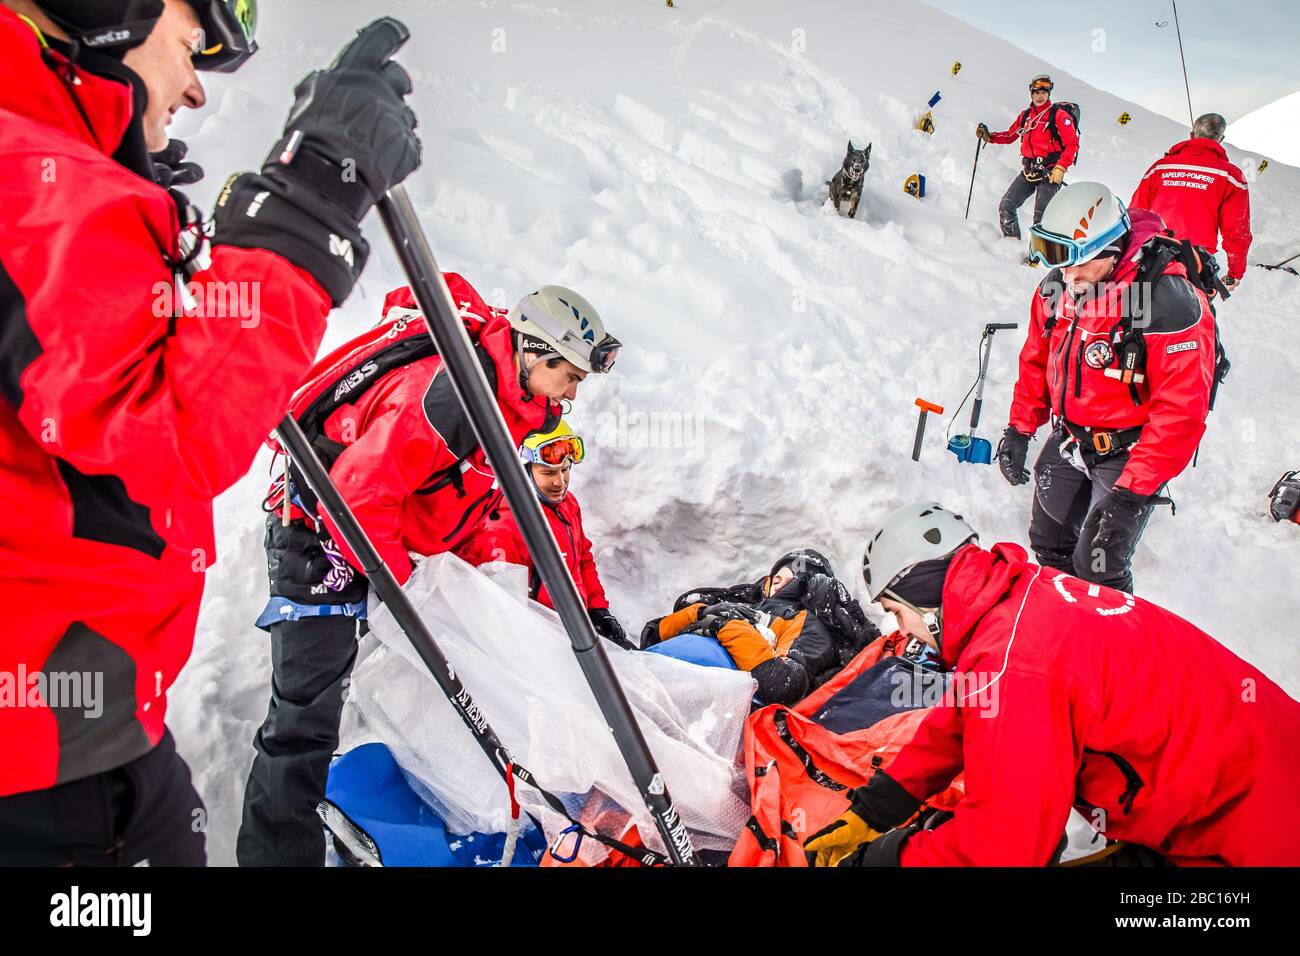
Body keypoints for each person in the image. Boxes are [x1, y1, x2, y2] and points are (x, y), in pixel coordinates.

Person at [0, 1, 420, 866]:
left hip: (74, 727)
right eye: (193, 46)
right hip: (45, 769)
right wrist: (310, 200)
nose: (194, 89)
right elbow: (170, 434)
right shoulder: (29, 174)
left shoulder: (48, 173)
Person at [238, 280, 621, 866]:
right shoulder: (450, 396)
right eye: (568, 376)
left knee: (395, 686)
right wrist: (407, 590)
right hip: (320, 538)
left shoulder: (504, 399)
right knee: (303, 719)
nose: (571, 393)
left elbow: (453, 498)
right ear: (533, 353)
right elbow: (360, 495)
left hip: (375, 542)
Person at [803, 502, 1300, 867]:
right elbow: (962, 716)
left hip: (1250, 838)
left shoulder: (1016, 663)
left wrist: (884, 860)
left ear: (922, 595)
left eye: (896, 612)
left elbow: (1001, 851)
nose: (901, 631)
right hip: (1256, 786)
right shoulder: (1020, 597)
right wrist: (880, 805)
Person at [995, 181, 1216, 594]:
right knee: (1049, 543)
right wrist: (1020, 428)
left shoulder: (1167, 303)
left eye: (1080, 263)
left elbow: (1180, 412)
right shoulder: (1058, 287)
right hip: (1071, 437)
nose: (1069, 275)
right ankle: (1068, 617)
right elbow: (1037, 360)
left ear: (1112, 251)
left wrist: (1131, 494)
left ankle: (1111, 626)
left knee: (1099, 565)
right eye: (1061, 261)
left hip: (1128, 451)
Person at [455, 421, 632, 648]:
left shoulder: (566, 504)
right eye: (548, 473)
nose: (560, 482)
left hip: (577, 629)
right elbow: (504, 611)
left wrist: (597, 609)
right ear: (523, 470)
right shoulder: (505, 525)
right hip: (543, 644)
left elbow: (583, 557)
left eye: (565, 470)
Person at [641, 550, 879, 706]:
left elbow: (783, 684)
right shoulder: (738, 604)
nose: (780, 585)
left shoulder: (804, 622)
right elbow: (653, 634)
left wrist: (727, 626)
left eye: (793, 579)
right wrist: (702, 614)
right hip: (653, 671)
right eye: (776, 579)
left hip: (707, 698)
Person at [1130, 113, 1252, 291]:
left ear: (1192, 135)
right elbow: (1237, 230)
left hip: (1150, 253)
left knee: (1136, 303)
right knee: (1188, 306)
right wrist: (1235, 272)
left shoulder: (1160, 167)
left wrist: (1128, 253)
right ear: (1221, 139)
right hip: (1194, 262)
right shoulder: (1231, 176)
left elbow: (1135, 213)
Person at [976, 74, 1080, 240]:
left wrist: (1061, 167)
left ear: (1049, 93)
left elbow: (1072, 144)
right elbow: (1010, 135)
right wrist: (989, 137)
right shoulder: (1026, 116)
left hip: (1050, 173)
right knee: (1006, 207)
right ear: (1031, 94)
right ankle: (1012, 244)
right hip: (1029, 171)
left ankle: (1039, 254)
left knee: (1041, 220)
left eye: (1043, 92)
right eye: (1036, 92)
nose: (1040, 96)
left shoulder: (1059, 116)